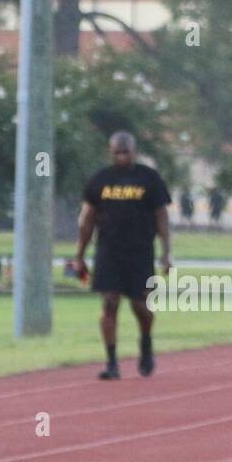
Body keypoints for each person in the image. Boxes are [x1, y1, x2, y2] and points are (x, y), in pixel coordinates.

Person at [74, 132, 172, 380]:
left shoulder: (149, 179)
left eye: (125, 151)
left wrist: (166, 253)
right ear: (111, 151)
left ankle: (146, 345)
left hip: (140, 252)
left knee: (141, 307)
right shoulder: (100, 180)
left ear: (134, 151)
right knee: (109, 304)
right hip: (108, 252)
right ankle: (111, 362)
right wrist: (80, 255)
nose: (121, 156)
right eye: (117, 152)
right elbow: (86, 220)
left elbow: (162, 217)